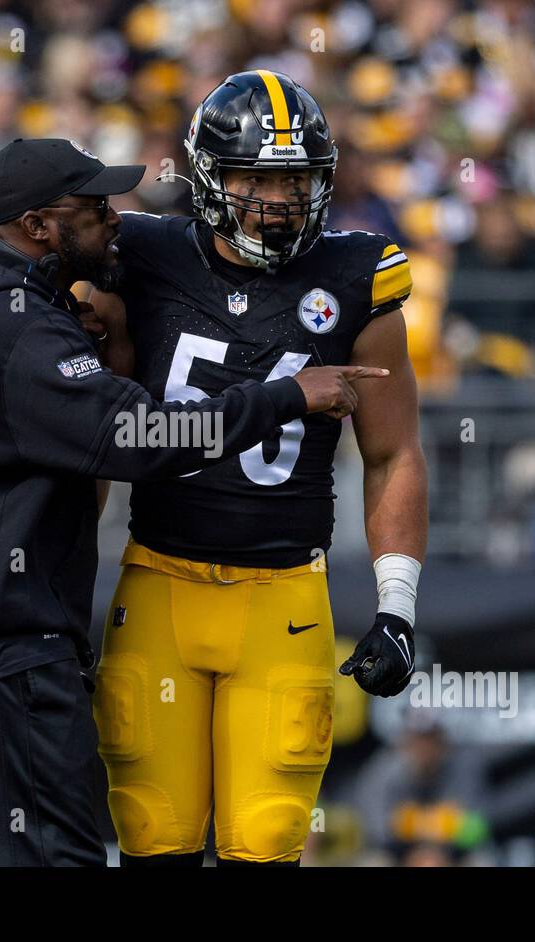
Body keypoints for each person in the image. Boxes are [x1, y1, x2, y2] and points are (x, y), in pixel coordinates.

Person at [0, 137, 385, 866]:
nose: (116, 220)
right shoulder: (20, 329)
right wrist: (286, 395)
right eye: (96, 207)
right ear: (40, 226)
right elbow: (141, 438)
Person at [85, 71, 429, 866]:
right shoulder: (140, 252)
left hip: (284, 599)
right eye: (254, 177)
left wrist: (397, 607)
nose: (277, 199)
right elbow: (90, 429)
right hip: (159, 582)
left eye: (294, 179)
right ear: (208, 177)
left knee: (268, 841)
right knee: (152, 838)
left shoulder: (356, 277)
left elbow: (392, 452)